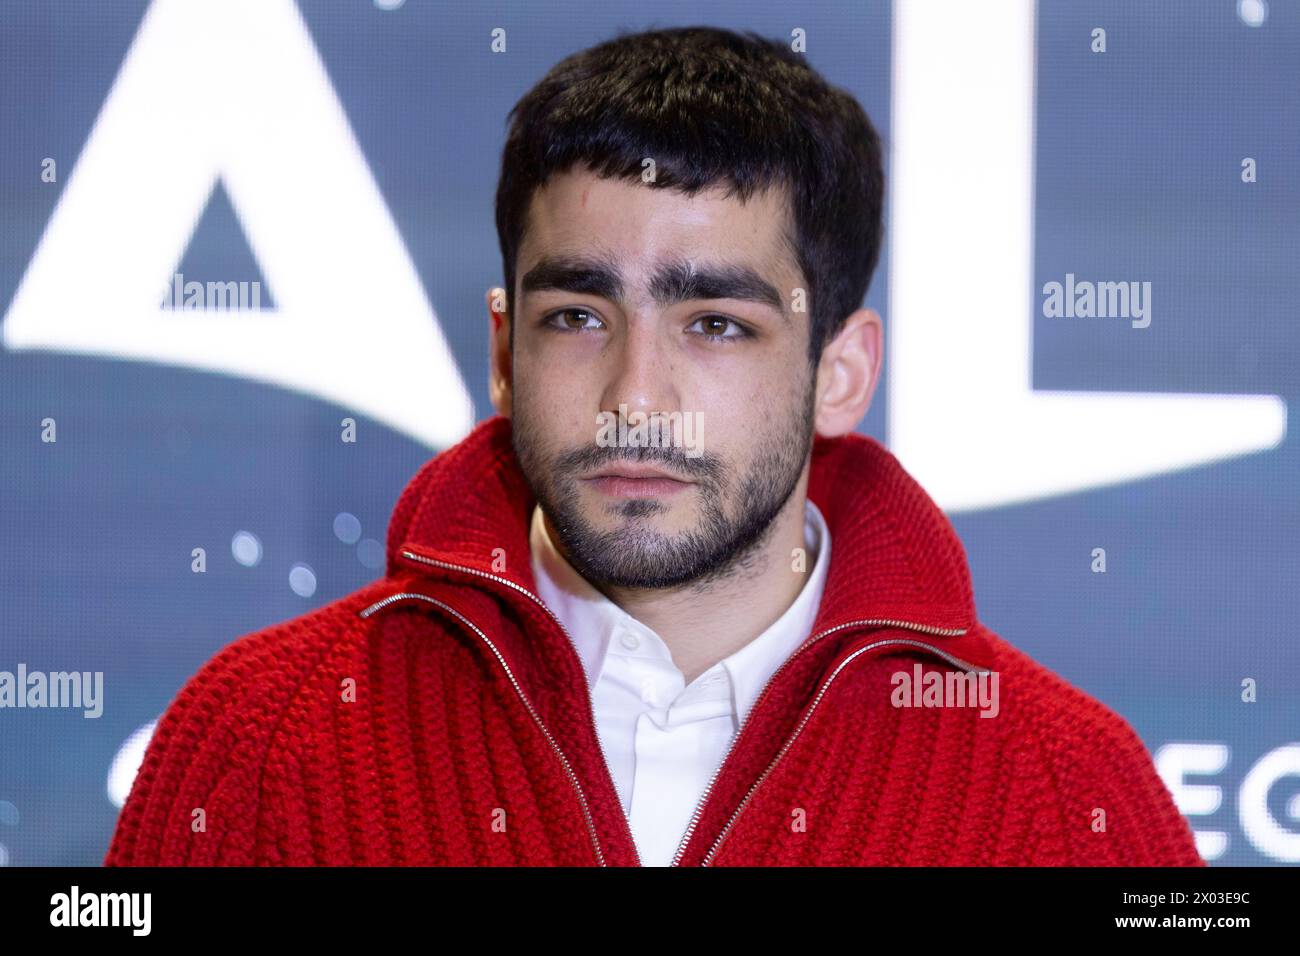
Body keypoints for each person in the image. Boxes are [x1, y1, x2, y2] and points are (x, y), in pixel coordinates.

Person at [105, 26, 1203, 867]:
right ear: (502, 349)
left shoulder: (1071, 793)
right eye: (577, 315)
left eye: (716, 324)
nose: (635, 395)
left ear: (841, 373)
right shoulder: (255, 737)